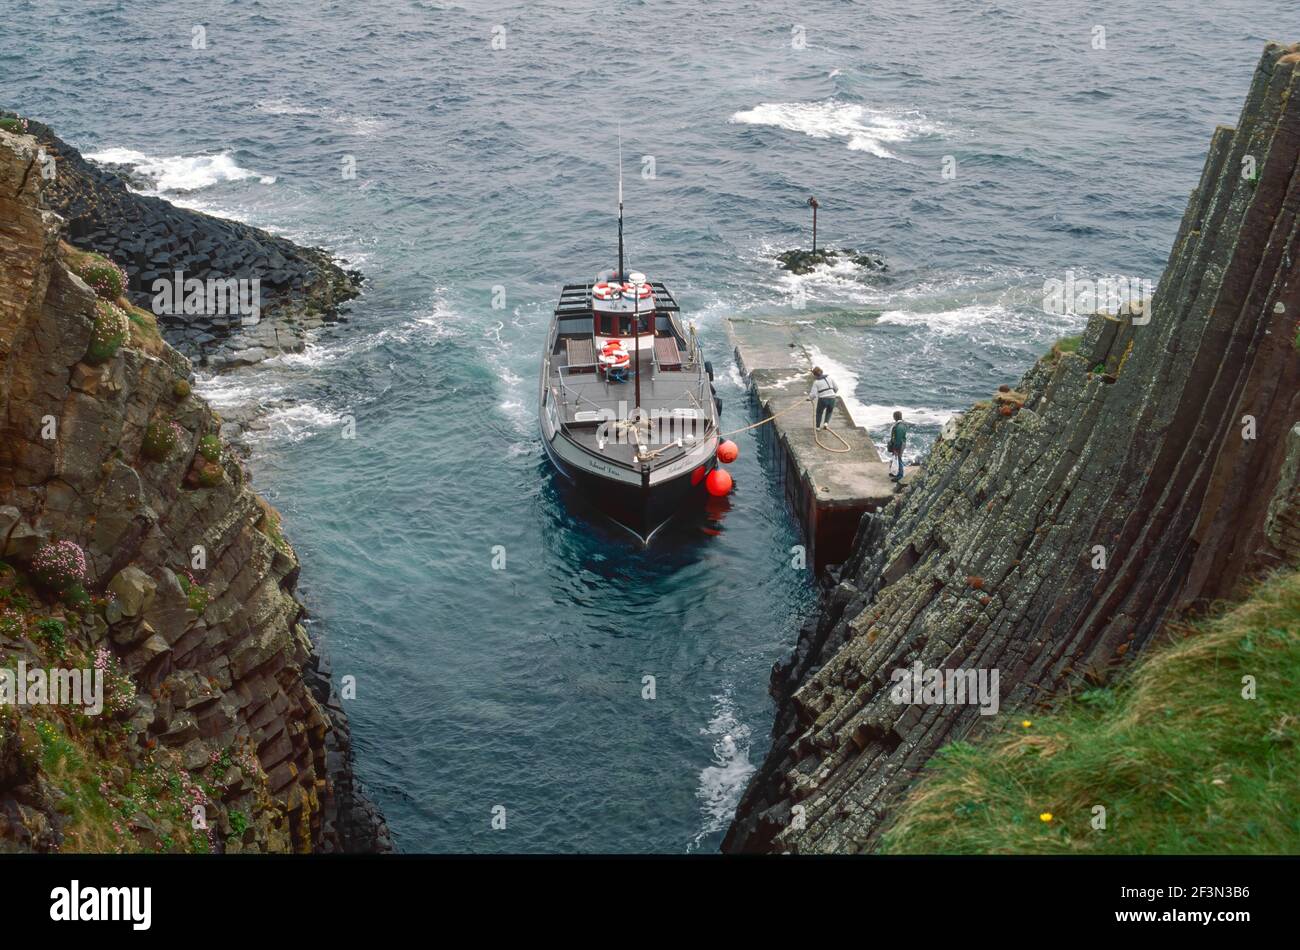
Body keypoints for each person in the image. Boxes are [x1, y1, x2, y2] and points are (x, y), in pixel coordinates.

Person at [887, 410, 907, 482]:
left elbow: (898, 438)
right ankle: (894, 472)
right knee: (895, 458)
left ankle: (900, 475)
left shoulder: (898, 426)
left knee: (898, 459)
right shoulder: (901, 424)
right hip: (900, 443)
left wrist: (895, 448)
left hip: (899, 444)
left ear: (895, 417)